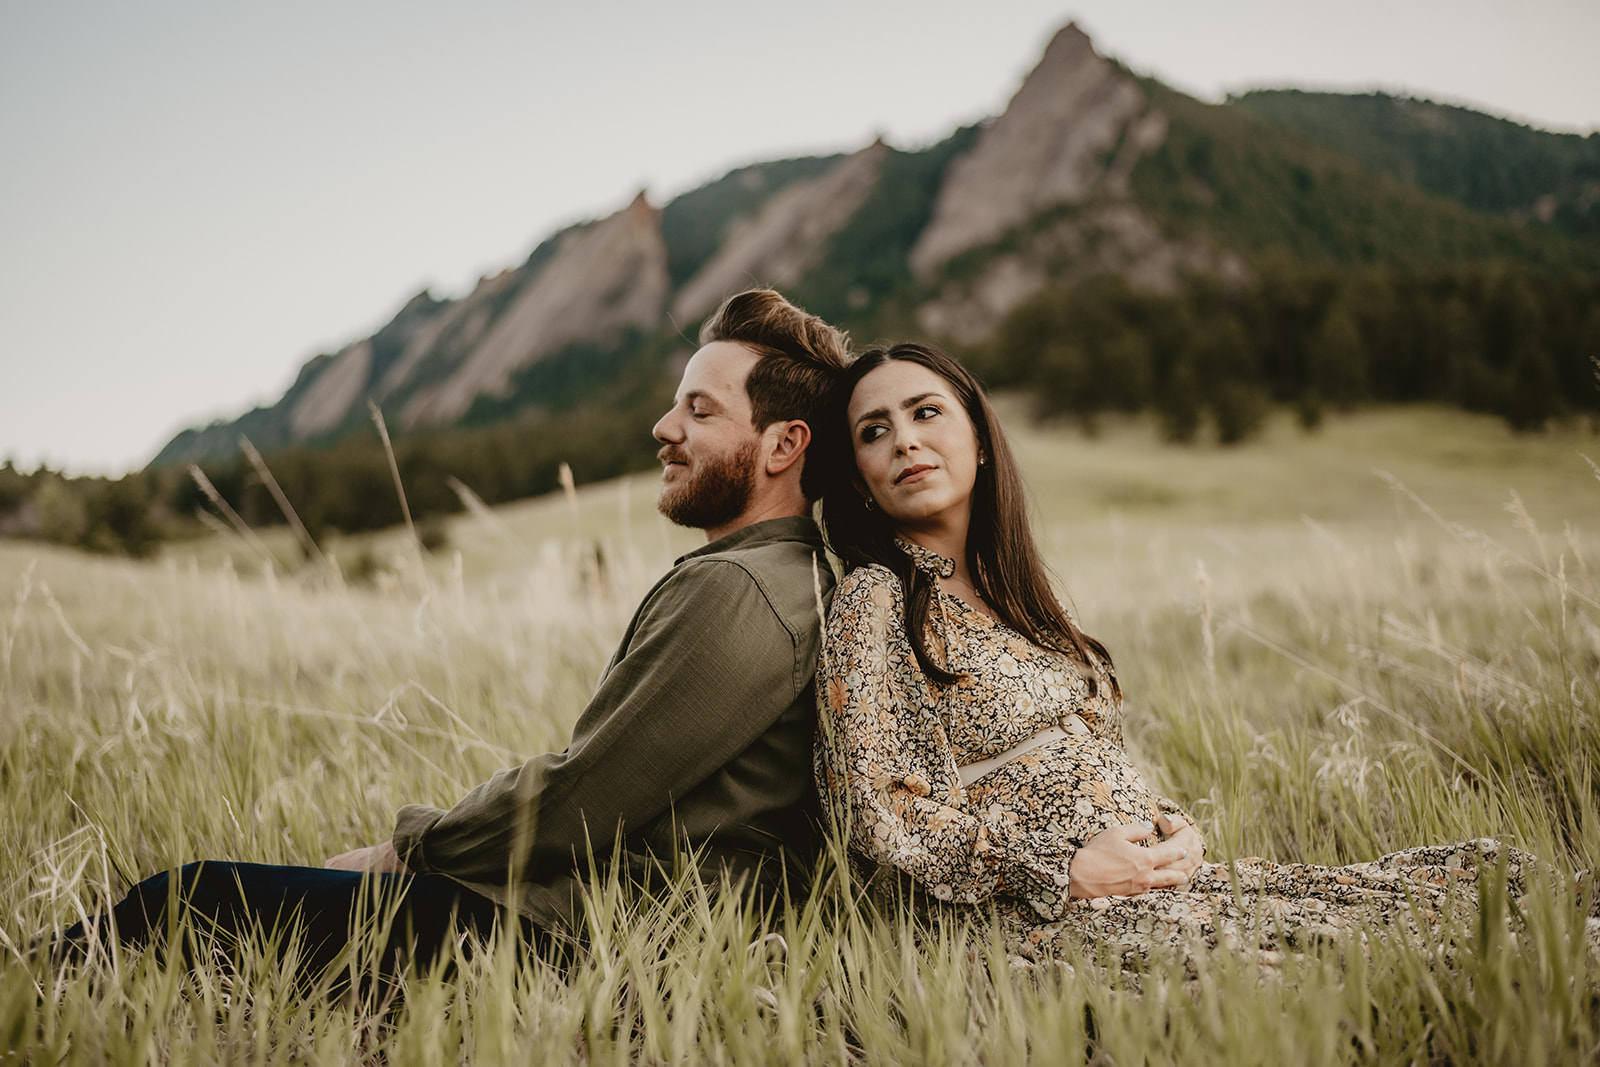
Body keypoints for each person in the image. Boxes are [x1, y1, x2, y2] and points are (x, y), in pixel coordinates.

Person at [52, 289, 851, 978]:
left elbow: (580, 798)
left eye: (699, 409)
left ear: (784, 444)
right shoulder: (796, 577)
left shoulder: (738, 588)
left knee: (187, 901)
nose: (663, 426)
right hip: (629, 924)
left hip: (575, 937)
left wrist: (413, 846)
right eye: (677, 403)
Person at [811, 341, 1554, 969]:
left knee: (1492, 879)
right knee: (1382, 958)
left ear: (978, 437)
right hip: (1035, 923)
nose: (904, 438)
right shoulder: (878, 602)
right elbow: (877, 810)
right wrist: (1056, 866)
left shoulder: (1028, 602)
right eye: (874, 431)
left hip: (1153, 886)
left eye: (925, 411)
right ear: (859, 479)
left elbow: (1088, 758)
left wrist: (1170, 825)